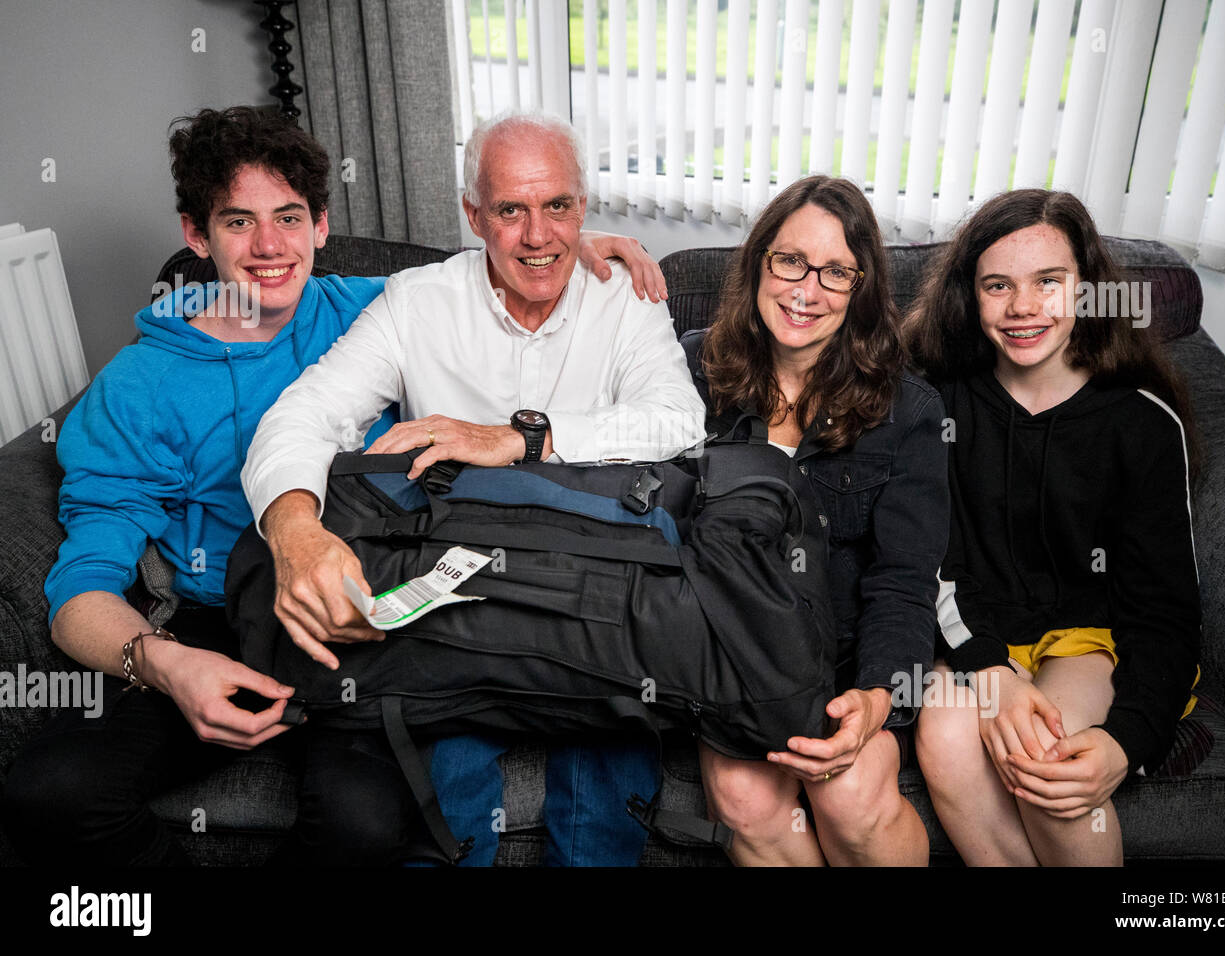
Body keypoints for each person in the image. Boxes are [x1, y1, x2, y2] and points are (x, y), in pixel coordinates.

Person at [0, 104, 669, 866]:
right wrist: (164, 662)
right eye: (238, 223)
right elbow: (81, 589)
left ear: (322, 224)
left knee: (366, 822)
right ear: (196, 234)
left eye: (289, 218)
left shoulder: (370, 306)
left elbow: (493, 263)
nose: (269, 248)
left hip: (361, 612)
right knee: (48, 794)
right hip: (214, 619)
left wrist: (573, 246)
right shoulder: (133, 388)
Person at [241, 109, 707, 866]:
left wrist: (520, 439)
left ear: (583, 207)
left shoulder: (624, 296)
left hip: (590, 592)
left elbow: (681, 423)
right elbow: (304, 414)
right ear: (473, 215)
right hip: (456, 602)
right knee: (447, 827)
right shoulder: (415, 301)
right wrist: (295, 531)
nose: (538, 235)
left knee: (600, 821)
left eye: (558, 206)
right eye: (511, 210)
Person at [906, 189, 1201, 866]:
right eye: (997, 285)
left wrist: (1127, 743)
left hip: (1089, 641)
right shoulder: (933, 405)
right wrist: (990, 668)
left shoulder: (1143, 423)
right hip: (970, 635)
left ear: (1089, 292)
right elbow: (920, 563)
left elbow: (1166, 611)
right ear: (970, 296)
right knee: (946, 736)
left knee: (1047, 761)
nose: (1023, 307)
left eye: (1049, 282)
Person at [679, 175, 947, 865]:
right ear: (759, 261)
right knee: (744, 797)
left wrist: (876, 698)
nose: (807, 289)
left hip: (849, 657)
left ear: (861, 290)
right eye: (791, 260)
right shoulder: (688, 369)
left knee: (849, 796)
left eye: (836, 272)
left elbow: (905, 583)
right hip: (727, 658)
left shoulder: (911, 411)